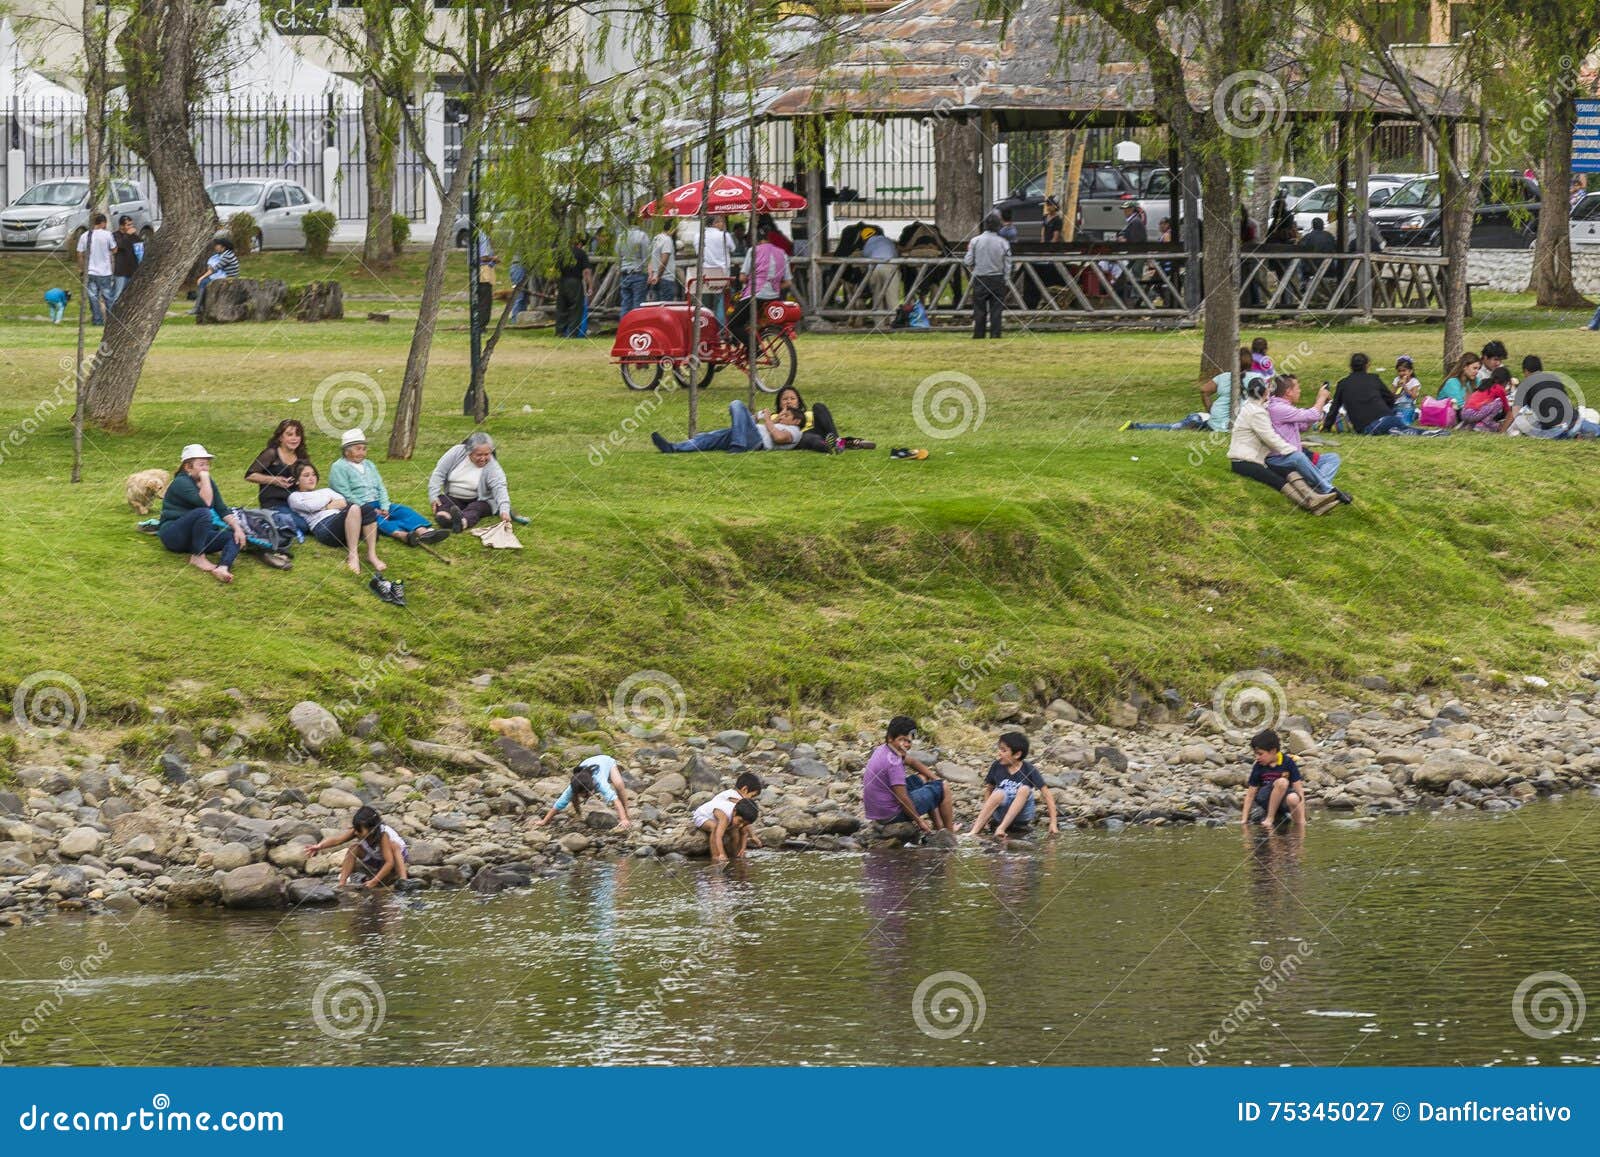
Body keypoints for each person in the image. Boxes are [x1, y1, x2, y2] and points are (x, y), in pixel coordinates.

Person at [1229, 379, 1339, 513]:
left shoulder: (1254, 407)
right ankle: (1311, 505)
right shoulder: (1256, 412)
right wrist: (1292, 451)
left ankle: (1315, 498)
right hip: (1244, 461)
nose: (1270, 392)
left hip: (1253, 460)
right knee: (1277, 481)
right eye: (1268, 390)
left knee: (1288, 472)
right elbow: (1270, 438)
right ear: (1264, 393)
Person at [328, 428, 447, 545]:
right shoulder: (339, 467)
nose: (362, 453)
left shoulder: (369, 464)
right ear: (346, 451)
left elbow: (381, 487)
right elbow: (344, 493)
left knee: (403, 511)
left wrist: (385, 506)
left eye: (364, 449)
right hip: (359, 507)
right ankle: (402, 535)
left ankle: (423, 532)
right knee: (377, 519)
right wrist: (369, 509)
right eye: (358, 449)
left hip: (378, 502)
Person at [157, 444, 247, 584]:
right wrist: (205, 478)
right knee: (203, 513)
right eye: (201, 464)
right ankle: (198, 556)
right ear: (188, 467)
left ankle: (223, 568)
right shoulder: (181, 482)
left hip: (194, 537)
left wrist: (237, 528)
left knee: (232, 537)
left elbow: (221, 508)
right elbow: (206, 504)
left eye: (207, 464)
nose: (206, 468)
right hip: (173, 535)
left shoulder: (207, 482)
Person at [861, 715, 955, 834]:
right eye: (902, 739)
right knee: (944, 787)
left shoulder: (884, 749)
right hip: (891, 815)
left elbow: (912, 761)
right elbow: (902, 798)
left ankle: (940, 827)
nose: (905, 745)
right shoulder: (893, 763)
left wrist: (935, 778)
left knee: (925, 778)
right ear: (890, 738)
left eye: (909, 741)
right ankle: (950, 834)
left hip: (879, 812)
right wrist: (919, 821)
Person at [1121, 347, 1250, 433]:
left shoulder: (1224, 377)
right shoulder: (1257, 379)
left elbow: (1204, 390)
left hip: (1215, 424)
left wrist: (1210, 409)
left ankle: (1136, 426)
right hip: (1233, 426)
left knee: (1175, 426)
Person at [288, 462, 386, 576]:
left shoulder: (325, 490)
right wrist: (329, 501)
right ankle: (353, 556)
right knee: (354, 508)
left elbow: (343, 502)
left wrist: (325, 505)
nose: (311, 478)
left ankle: (372, 555)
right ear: (296, 480)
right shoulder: (295, 496)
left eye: (313, 474)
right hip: (324, 527)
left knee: (367, 509)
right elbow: (310, 506)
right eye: (306, 475)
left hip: (342, 522)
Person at [1265, 374, 1350, 502]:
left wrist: (1320, 405)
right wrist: (1321, 398)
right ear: (1288, 392)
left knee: (1332, 458)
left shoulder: (1285, 407)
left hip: (1292, 456)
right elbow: (1312, 415)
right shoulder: (1278, 408)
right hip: (1279, 458)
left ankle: (1317, 489)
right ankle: (1330, 490)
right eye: (1298, 388)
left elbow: (1304, 425)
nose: (1300, 391)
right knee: (1298, 456)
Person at [968, 732, 1059, 838]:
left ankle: (1001, 828)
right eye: (999, 749)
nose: (999, 753)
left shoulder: (1029, 769)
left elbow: (1047, 795)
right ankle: (974, 831)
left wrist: (1053, 822)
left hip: (1022, 815)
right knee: (998, 793)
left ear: (1017, 754)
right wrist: (987, 818)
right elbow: (989, 791)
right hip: (1001, 812)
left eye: (1004, 750)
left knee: (1024, 789)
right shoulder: (996, 766)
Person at [307, 806, 410, 889]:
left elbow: (389, 862)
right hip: (377, 860)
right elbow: (338, 840)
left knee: (394, 845)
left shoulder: (383, 835)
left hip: (395, 860)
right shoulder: (357, 831)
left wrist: (374, 882)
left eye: (359, 830)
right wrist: (319, 846)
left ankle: (403, 879)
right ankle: (342, 883)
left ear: (372, 829)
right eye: (355, 829)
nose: (356, 832)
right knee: (354, 848)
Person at [245, 418, 313, 541]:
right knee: (304, 525)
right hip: (274, 503)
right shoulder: (271, 453)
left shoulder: (301, 456)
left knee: (314, 521)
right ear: (280, 437)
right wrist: (274, 480)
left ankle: (285, 525)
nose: (294, 438)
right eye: (289, 434)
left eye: (298, 435)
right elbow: (250, 475)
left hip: (296, 501)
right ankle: (271, 521)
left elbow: (310, 476)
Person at [428, 431, 512, 530]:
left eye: (487, 454)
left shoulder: (492, 466)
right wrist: (433, 496)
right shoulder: (456, 452)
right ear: (469, 452)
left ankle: (462, 523)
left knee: (476, 508)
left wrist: (504, 510)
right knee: (442, 502)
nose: (483, 458)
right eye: (479, 455)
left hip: (479, 500)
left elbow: (500, 487)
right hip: (454, 497)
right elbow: (439, 473)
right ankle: (445, 519)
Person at [650, 399, 801, 453]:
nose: (781, 418)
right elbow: (743, 421)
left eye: (786, 416)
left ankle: (738, 447)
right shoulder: (775, 424)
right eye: (781, 415)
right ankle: (673, 448)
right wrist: (759, 418)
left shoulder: (795, 431)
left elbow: (779, 437)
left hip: (755, 441)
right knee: (705, 438)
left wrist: (768, 420)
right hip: (743, 435)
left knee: (736, 404)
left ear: (796, 421)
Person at [727, 229, 793, 348]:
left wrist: (753, 281)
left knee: (733, 323)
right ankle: (750, 347)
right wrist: (774, 285)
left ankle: (754, 348)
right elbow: (787, 282)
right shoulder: (782, 252)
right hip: (774, 296)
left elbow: (742, 278)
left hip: (755, 294)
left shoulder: (753, 251)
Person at [531, 754, 633, 830]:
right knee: (572, 796)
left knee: (618, 784)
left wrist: (623, 819)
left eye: (586, 795)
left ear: (592, 787)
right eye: (582, 795)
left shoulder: (600, 782)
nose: (584, 797)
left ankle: (627, 811)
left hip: (606, 761)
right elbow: (558, 805)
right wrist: (544, 821)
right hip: (586, 765)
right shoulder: (574, 786)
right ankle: (578, 814)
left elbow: (615, 800)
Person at [1323, 352, 1409, 435]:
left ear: (1350, 366)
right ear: (1367, 365)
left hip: (1368, 427)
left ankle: (1396, 431)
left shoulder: (1343, 384)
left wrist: (1326, 427)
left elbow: (1334, 408)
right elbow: (1390, 399)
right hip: (1388, 419)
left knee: (1397, 429)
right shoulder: (1374, 379)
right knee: (1406, 428)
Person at [1241, 729, 1306, 829]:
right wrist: (1244, 820)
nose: (1257, 757)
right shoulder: (1259, 766)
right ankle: (1270, 818)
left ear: (1273, 751)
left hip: (1282, 801)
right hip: (1265, 798)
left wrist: (1302, 819)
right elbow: (1250, 794)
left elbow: (1299, 791)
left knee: (1293, 798)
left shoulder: (1288, 762)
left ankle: (1298, 825)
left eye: (1260, 754)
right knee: (1282, 782)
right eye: (1255, 754)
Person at [692, 772, 764, 861]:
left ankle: (735, 855)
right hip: (705, 816)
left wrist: (752, 837)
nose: (751, 800)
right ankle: (716, 857)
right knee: (715, 828)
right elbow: (720, 834)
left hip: (724, 817)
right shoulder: (735, 799)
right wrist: (722, 854)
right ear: (745, 789)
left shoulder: (739, 807)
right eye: (752, 796)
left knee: (736, 831)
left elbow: (745, 824)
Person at [963, 211, 1011, 339]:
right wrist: (1006, 279)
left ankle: (979, 334)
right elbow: (1008, 264)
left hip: (980, 278)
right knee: (996, 309)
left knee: (979, 309)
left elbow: (967, 261)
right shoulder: (1003, 242)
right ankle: (995, 334)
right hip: (998, 278)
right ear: (998, 226)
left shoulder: (975, 241)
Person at [76, 212, 117, 325]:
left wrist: (81, 268)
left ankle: (97, 320)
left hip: (90, 271)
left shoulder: (85, 236)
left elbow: (79, 253)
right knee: (108, 297)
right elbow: (114, 249)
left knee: (93, 297)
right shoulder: (108, 235)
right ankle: (111, 320)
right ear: (103, 223)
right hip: (105, 271)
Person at [696, 213, 733, 325]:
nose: (723, 224)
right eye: (721, 221)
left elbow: (698, 253)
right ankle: (720, 329)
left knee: (705, 303)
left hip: (705, 274)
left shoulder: (698, 236)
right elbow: (733, 248)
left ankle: (706, 326)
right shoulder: (724, 236)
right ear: (715, 223)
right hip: (721, 273)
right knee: (720, 301)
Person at [860, 225, 900, 325]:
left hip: (874, 269)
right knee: (892, 296)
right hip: (890, 267)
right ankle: (894, 321)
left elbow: (865, 256)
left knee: (877, 296)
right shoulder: (888, 241)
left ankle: (879, 323)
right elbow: (895, 254)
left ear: (864, 239)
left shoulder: (867, 245)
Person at [554, 235, 594, 338]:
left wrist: (555, 285)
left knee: (562, 307)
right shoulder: (581, 253)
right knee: (576, 308)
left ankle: (560, 332)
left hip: (562, 281)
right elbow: (586, 271)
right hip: (575, 282)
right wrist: (590, 286)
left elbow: (555, 270)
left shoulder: (562, 253)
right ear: (579, 244)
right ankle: (572, 333)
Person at [1462, 365, 1517, 432]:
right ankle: (1485, 423)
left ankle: (1470, 425)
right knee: (1499, 402)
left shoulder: (1485, 384)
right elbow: (1506, 407)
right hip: (1474, 413)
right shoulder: (1499, 388)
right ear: (1505, 382)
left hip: (1464, 412)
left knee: (1489, 404)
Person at [193, 237, 239, 316]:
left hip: (229, 278)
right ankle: (199, 307)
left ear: (223, 247)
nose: (215, 247)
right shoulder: (225, 254)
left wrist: (201, 277)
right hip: (225, 276)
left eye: (217, 245)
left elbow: (215, 269)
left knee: (203, 282)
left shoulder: (227, 256)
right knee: (205, 282)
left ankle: (197, 308)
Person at [617, 222, 651, 318]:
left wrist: (620, 268)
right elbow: (646, 257)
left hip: (624, 273)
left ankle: (624, 327)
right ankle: (636, 327)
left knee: (625, 303)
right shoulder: (642, 235)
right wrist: (648, 272)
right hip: (638, 274)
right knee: (638, 303)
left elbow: (618, 255)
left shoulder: (621, 236)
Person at [111, 215, 140, 307]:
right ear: (121, 226)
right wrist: (127, 234)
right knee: (117, 294)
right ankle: (111, 315)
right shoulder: (115, 235)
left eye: (131, 224)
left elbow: (139, 246)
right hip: (121, 271)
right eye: (128, 225)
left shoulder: (133, 236)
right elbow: (120, 245)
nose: (131, 227)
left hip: (132, 269)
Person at [647, 220, 678, 303]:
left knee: (656, 306)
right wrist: (658, 276)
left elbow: (651, 259)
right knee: (665, 307)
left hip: (655, 278)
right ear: (672, 229)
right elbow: (664, 260)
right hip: (666, 279)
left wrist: (651, 274)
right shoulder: (667, 240)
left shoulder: (656, 238)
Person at [1391, 355, 1420, 425]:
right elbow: (1393, 396)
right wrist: (1398, 387)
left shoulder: (1414, 382)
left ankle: (1416, 413)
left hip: (1409, 406)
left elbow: (1413, 396)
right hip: (1397, 406)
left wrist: (1404, 386)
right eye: (1399, 371)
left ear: (1410, 371)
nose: (1401, 373)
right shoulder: (1396, 380)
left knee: (1404, 422)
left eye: (1404, 371)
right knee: (1392, 419)